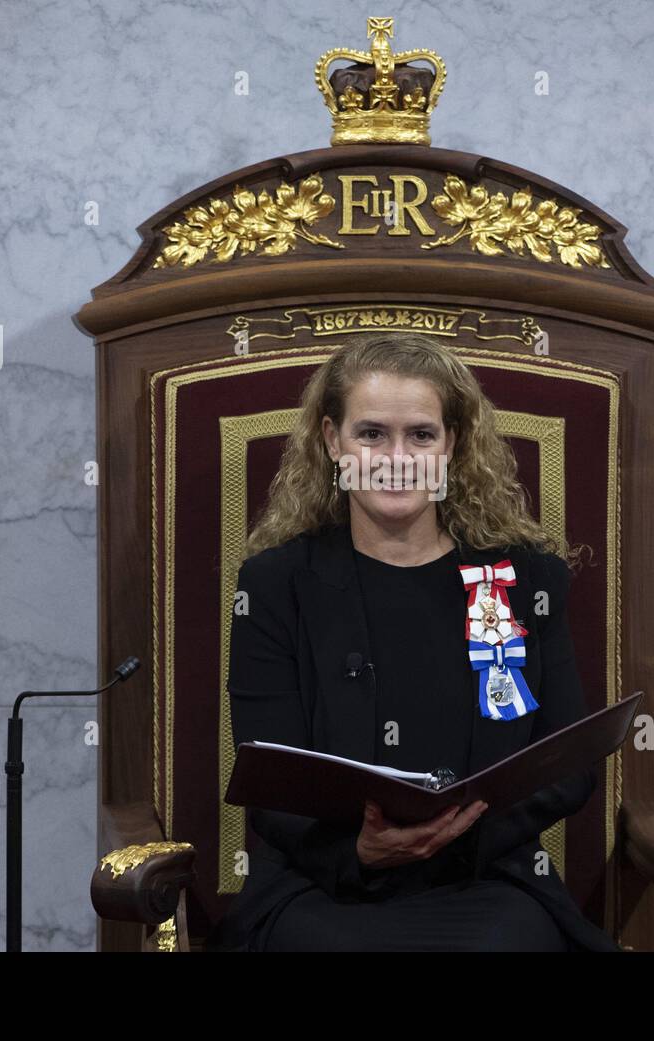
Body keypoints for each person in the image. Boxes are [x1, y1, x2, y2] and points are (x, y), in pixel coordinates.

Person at [206, 331, 620, 952]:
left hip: (488, 880)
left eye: (421, 435)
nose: (397, 456)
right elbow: (269, 775)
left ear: (451, 444)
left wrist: (458, 836)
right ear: (331, 441)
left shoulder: (525, 578)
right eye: (371, 433)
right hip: (323, 883)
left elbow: (566, 764)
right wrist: (358, 851)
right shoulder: (276, 583)